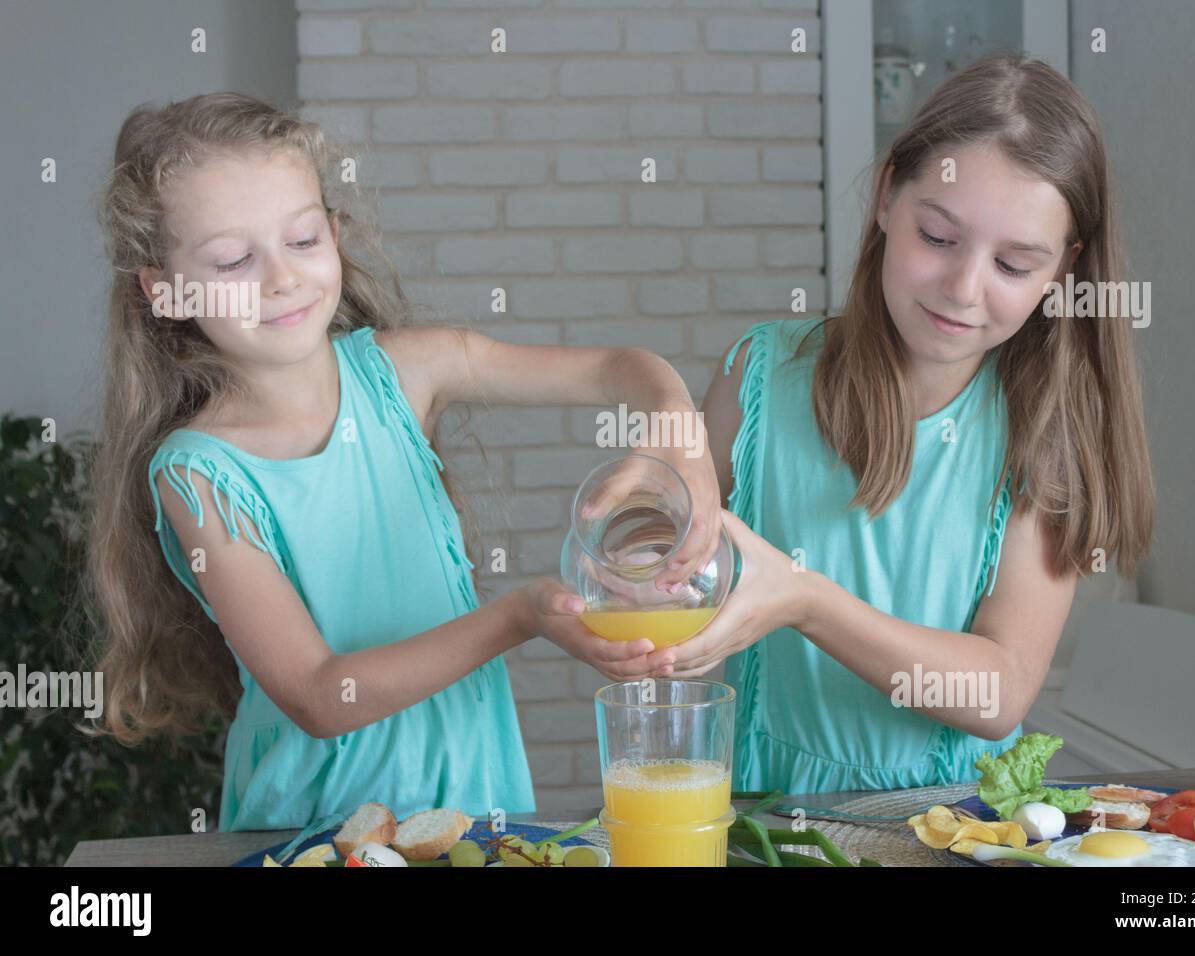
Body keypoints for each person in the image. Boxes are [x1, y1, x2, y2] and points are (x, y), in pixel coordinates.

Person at [83, 92, 720, 831]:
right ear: (163, 291)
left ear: (336, 235)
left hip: (475, 813)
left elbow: (618, 367)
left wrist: (678, 428)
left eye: (301, 239)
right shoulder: (198, 475)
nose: (280, 279)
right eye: (232, 259)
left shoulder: (410, 370)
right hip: (311, 832)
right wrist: (522, 616)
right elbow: (321, 696)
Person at [651, 55, 1156, 794]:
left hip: (953, 828)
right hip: (763, 816)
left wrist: (806, 600)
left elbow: (999, 693)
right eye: (939, 237)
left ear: (1063, 271)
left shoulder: (1047, 432)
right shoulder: (756, 377)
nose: (963, 288)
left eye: (1014, 265)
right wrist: (647, 570)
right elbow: (675, 558)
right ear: (888, 195)